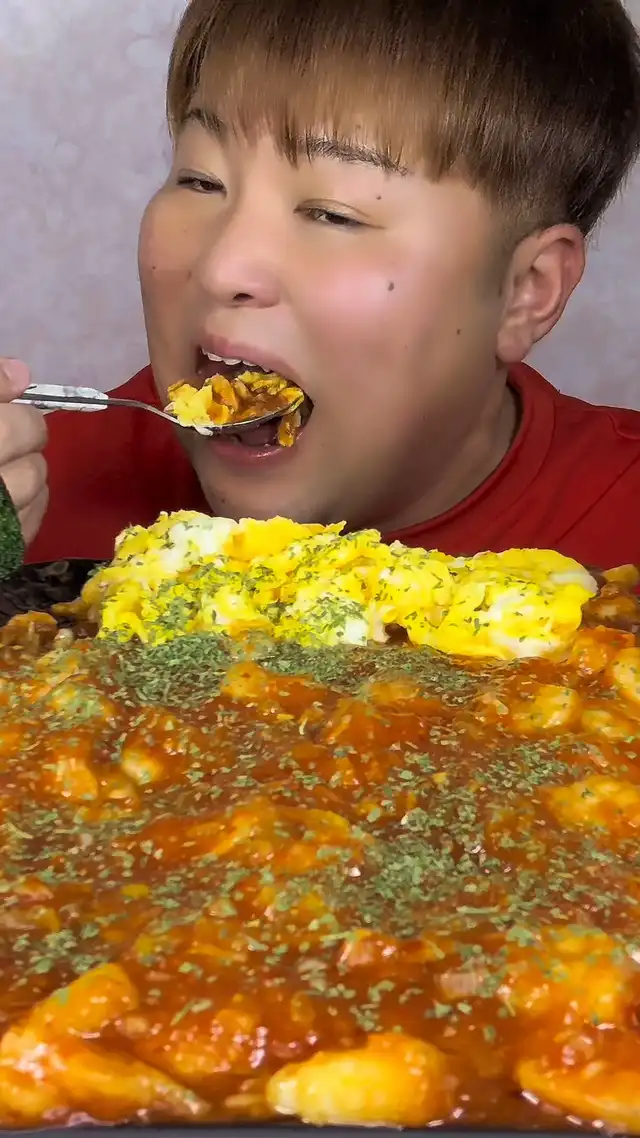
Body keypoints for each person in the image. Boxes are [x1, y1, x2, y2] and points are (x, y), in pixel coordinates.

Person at [4, 0, 640, 571]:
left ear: (526, 291)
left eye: (332, 215)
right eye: (200, 180)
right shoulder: (39, 494)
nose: (224, 268)